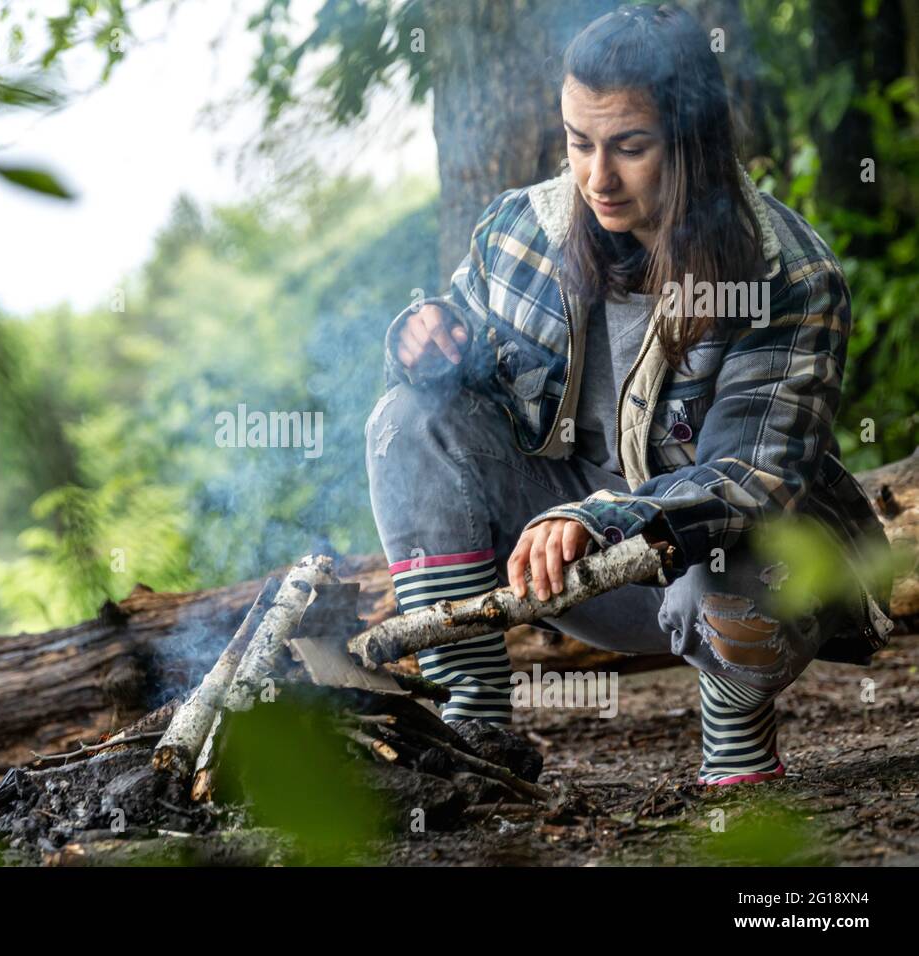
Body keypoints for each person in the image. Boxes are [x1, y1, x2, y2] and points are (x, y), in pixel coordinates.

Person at [364, 3, 893, 786]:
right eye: (580, 143)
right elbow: (454, 392)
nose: (596, 177)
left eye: (630, 147)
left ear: (693, 142)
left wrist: (599, 515)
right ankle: (470, 728)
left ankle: (739, 757)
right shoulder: (519, 232)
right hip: (548, 567)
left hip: (729, 570)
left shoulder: (788, 278)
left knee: (731, 539)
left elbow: (751, 482)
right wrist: (428, 342)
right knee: (406, 420)